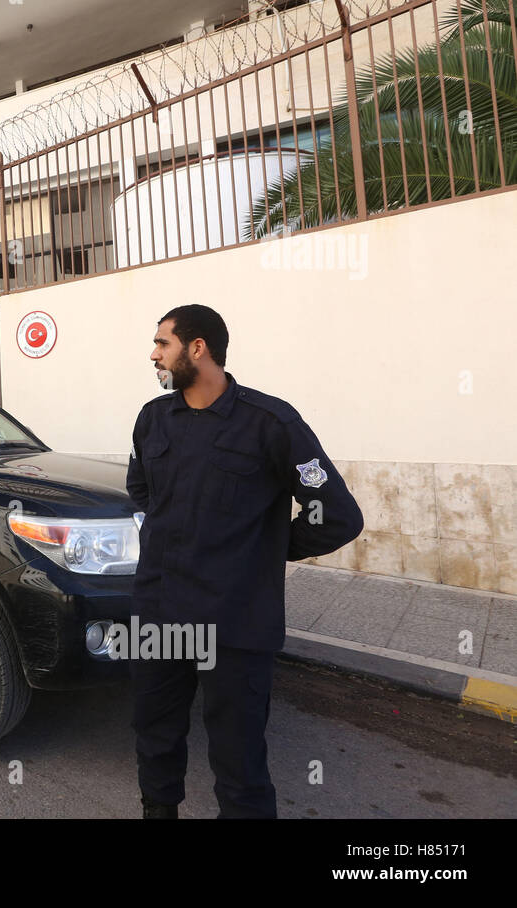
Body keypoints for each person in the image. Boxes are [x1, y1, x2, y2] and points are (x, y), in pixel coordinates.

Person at [125, 304, 363, 818]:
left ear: (198, 347)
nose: (154, 354)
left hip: (235, 622)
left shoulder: (270, 422)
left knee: (239, 761)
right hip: (160, 614)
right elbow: (141, 490)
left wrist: (264, 548)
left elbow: (337, 516)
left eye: (162, 343)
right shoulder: (152, 418)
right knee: (154, 737)